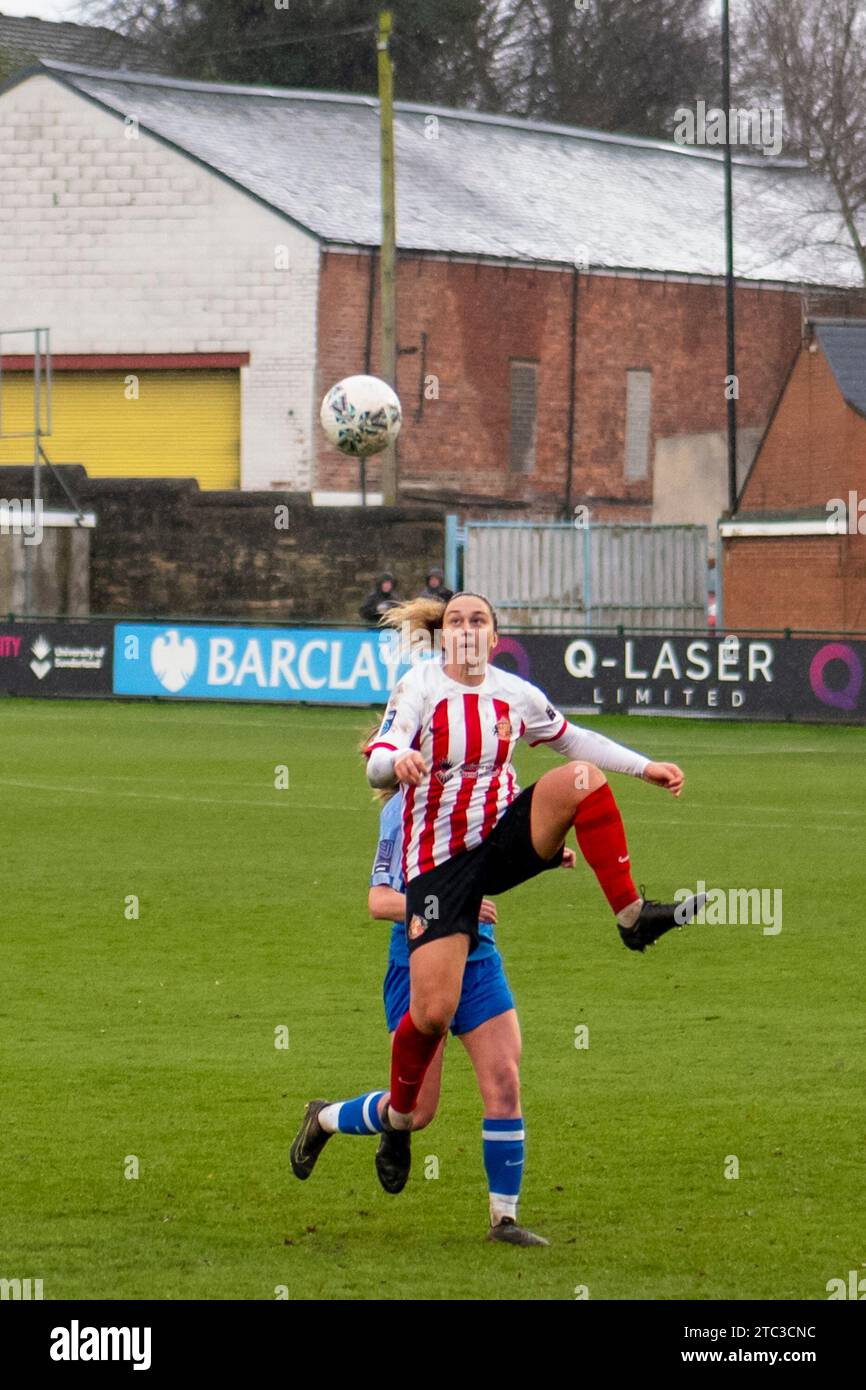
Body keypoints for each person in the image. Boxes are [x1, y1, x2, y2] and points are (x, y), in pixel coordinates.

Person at [295, 591, 703, 1240]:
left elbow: (575, 739)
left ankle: (632, 916)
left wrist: (644, 766)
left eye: (477, 619)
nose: (465, 628)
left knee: (582, 780)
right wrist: (397, 759)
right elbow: (378, 757)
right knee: (428, 1032)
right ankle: (388, 1123)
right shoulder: (420, 687)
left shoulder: (515, 694)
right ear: (444, 636)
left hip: (494, 849)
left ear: (494, 636)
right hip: (441, 877)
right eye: (455, 619)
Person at [289, 726, 577, 1245]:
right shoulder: (401, 813)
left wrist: (548, 856)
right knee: (415, 1112)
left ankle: (504, 1220)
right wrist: (450, 905)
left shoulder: (479, 796)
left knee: (505, 1080)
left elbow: (503, 851)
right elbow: (379, 902)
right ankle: (324, 1118)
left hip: (479, 959)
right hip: (417, 963)